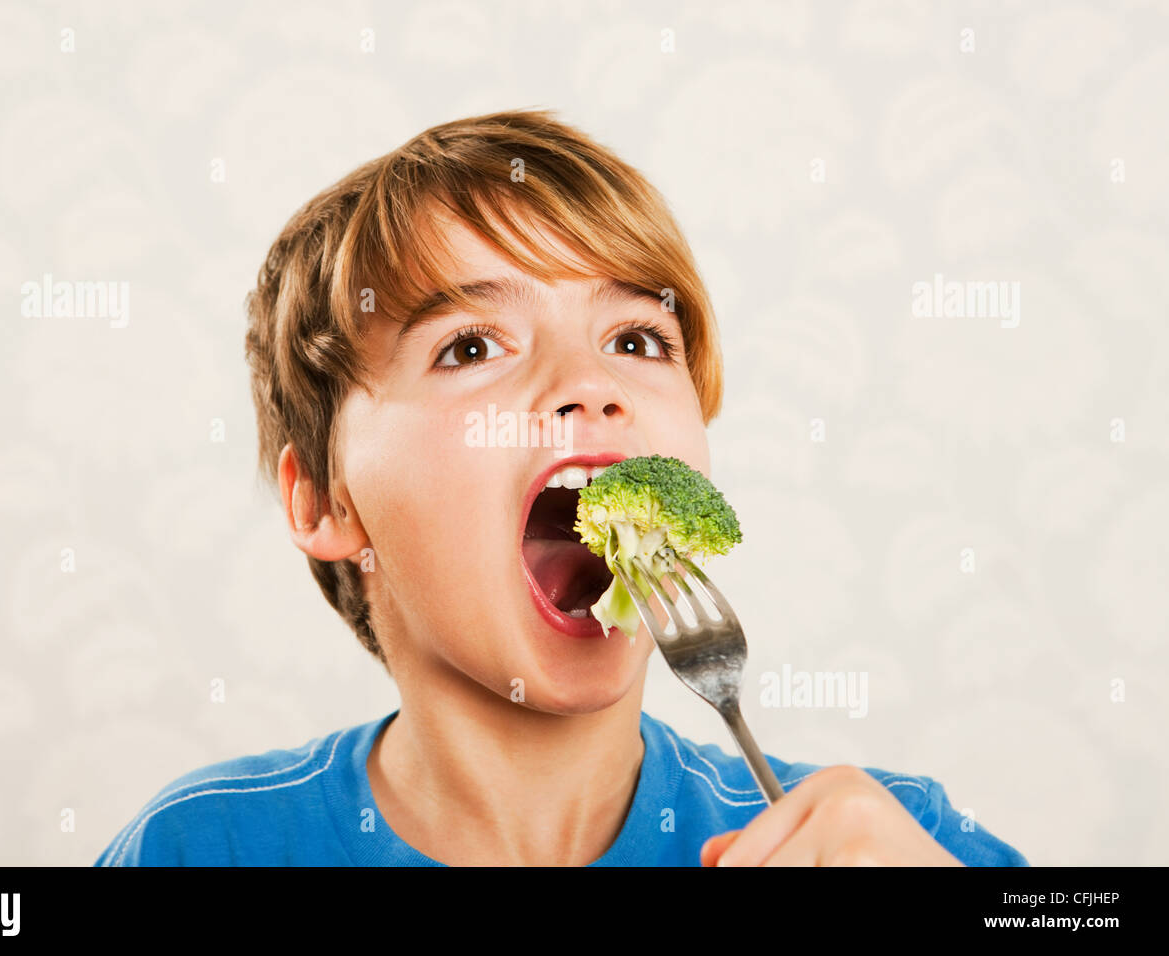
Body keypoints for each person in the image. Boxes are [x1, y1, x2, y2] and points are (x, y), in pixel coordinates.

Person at [95, 108, 1027, 867]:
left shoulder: (894, 838)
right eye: (470, 346)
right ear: (327, 501)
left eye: (636, 340)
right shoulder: (201, 848)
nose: (593, 383)